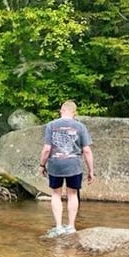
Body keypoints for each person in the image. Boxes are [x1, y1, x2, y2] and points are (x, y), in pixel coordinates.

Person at [39, 100, 94, 237]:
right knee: (72, 194)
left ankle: (58, 227)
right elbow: (86, 151)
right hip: (73, 165)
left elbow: (46, 149)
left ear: (61, 111)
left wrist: (42, 165)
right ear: (74, 113)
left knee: (56, 194)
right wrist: (91, 171)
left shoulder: (51, 125)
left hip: (55, 164)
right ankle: (71, 226)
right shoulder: (80, 127)